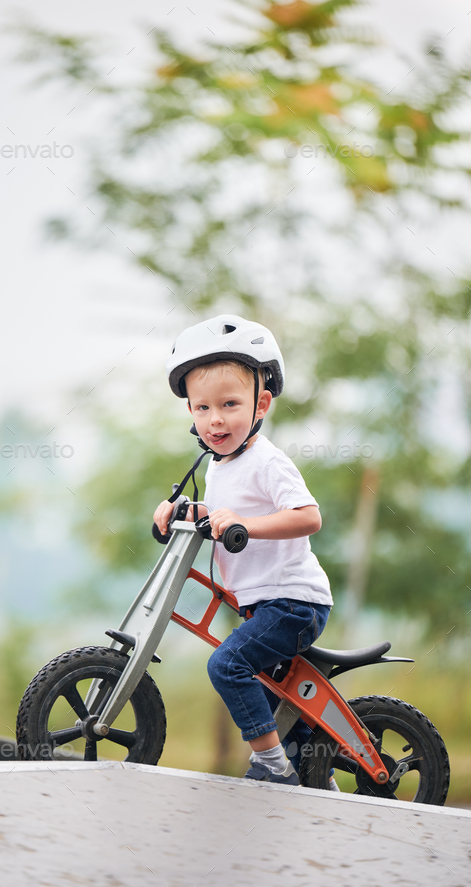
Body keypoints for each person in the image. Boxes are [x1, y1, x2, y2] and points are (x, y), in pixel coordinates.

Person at [154, 314, 334, 786]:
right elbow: (219, 516)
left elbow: (308, 516)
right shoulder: (218, 466)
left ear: (262, 404)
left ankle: (273, 768)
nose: (215, 419)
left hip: (295, 603)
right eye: (202, 407)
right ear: (190, 412)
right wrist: (180, 510)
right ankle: (322, 779)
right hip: (264, 605)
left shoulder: (268, 461)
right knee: (283, 707)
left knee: (228, 665)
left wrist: (246, 526)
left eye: (230, 404)